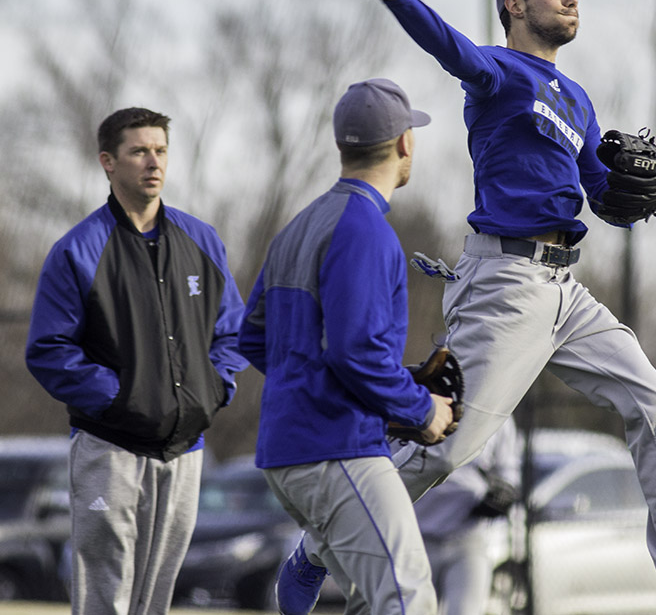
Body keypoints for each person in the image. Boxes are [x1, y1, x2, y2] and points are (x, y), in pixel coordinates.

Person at [340, 0, 656, 615]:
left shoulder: (576, 98)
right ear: (515, 6)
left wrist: (632, 193)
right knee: (447, 447)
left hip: (563, 290)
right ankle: (324, 539)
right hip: (505, 282)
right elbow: (448, 45)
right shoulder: (498, 73)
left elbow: (602, 195)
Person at [238, 78, 457, 615]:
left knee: (368, 602)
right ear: (405, 144)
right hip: (338, 449)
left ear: (342, 146)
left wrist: (308, 383)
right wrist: (420, 407)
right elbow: (355, 353)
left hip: (287, 453)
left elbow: (253, 336)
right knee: (407, 600)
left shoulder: (300, 225)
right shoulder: (364, 229)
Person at [24, 107, 249, 614]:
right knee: (107, 594)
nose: (154, 162)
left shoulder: (202, 241)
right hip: (110, 449)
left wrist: (210, 391)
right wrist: (125, 399)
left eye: (161, 150)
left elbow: (233, 333)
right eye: (139, 151)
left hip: (185, 450)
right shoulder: (78, 250)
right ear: (108, 161)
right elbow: (49, 351)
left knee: (157, 599)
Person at [414, 418, 520, 615]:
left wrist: (503, 494)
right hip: (417, 539)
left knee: (466, 611)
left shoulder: (495, 408)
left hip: (468, 536)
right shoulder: (420, 397)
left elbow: (508, 471)